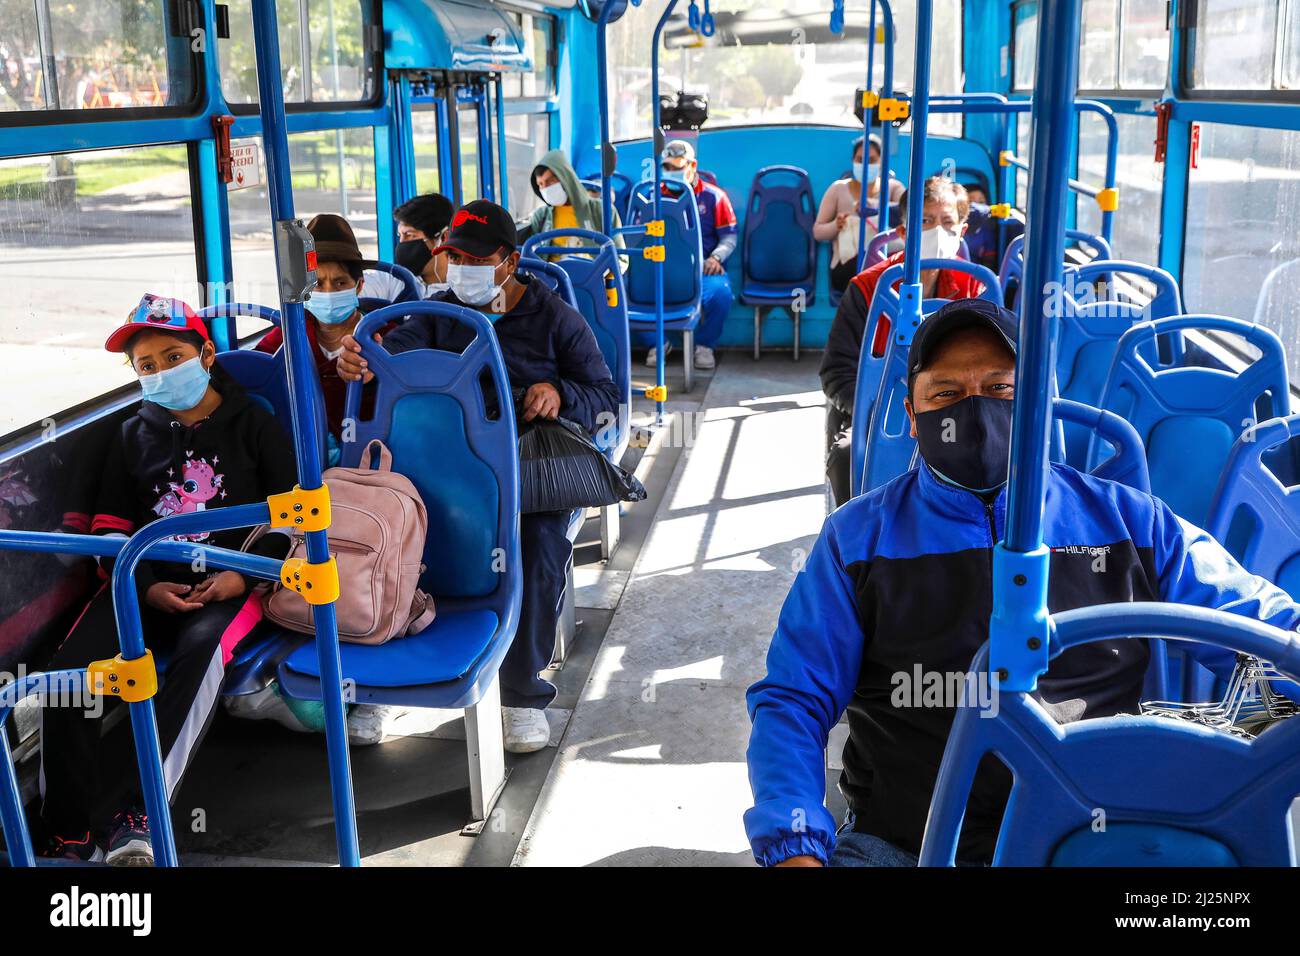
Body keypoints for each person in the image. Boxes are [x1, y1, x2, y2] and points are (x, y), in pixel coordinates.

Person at [746, 297, 1300, 868]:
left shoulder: (1132, 523)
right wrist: (796, 846)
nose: (975, 413)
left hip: (1098, 840)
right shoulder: (856, 541)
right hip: (906, 842)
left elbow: (1262, 626)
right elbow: (793, 700)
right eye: (946, 395)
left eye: (1001, 389)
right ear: (912, 416)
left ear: (1038, 405)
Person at [336, 200, 620, 754]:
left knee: (536, 546)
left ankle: (520, 692)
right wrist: (356, 361)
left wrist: (560, 393)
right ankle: (386, 684)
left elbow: (605, 395)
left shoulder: (554, 317)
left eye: (474, 257)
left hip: (526, 475)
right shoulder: (437, 314)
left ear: (509, 261)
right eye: (453, 256)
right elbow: (382, 363)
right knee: (392, 540)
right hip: (442, 471)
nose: (460, 266)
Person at [38, 295, 297, 864]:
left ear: (206, 354)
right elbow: (110, 529)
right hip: (142, 583)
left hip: (232, 582)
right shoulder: (131, 434)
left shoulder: (255, 422)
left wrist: (241, 576)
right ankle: (66, 828)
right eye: (146, 366)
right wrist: (146, 583)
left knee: (200, 656)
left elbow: (292, 519)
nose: (159, 373)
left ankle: (141, 810)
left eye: (172, 356)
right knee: (66, 677)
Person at [820, 176, 981, 507]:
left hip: (956, 411)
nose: (937, 231)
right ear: (905, 232)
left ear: (961, 231)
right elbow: (837, 371)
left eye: (947, 222)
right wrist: (879, 411)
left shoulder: (975, 288)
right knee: (848, 454)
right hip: (881, 410)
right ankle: (858, 545)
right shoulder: (867, 288)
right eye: (925, 221)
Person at [254, 214, 395, 446]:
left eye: (340, 283)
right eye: (317, 284)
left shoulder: (385, 334)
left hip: (372, 450)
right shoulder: (290, 334)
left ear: (359, 286)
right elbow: (256, 369)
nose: (328, 291)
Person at [642, 139, 736, 372]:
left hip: (703, 268)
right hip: (662, 267)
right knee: (627, 290)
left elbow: (729, 237)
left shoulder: (715, 197)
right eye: (667, 167)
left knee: (721, 294)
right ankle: (657, 344)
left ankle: (704, 345)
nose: (671, 172)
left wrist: (716, 258)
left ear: (692, 166)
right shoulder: (652, 197)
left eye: (678, 167)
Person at [815, 134, 906, 293]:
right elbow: (818, 231)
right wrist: (836, 225)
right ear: (853, 161)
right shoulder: (838, 189)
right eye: (860, 160)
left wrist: (874, 206)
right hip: (847, 266)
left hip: (886, 259)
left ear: (881, 163)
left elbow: (908, 214)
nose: (865, 165)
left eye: (871, 160)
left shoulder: (893, 188)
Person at [515, 148, 625, 259]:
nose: (545, 188)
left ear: (565, 178)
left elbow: (620, 257)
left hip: (593, 274)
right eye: (540, 184)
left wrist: (605, 273)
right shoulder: (541, 216)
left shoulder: (601, 210)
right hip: (552, 275)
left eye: (550, 181)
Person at [362, 193, 455, 303]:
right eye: (400, 235)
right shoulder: (395, 279)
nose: (401, 243)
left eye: (410, 235)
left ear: (443, 237)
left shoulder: (464, 289)